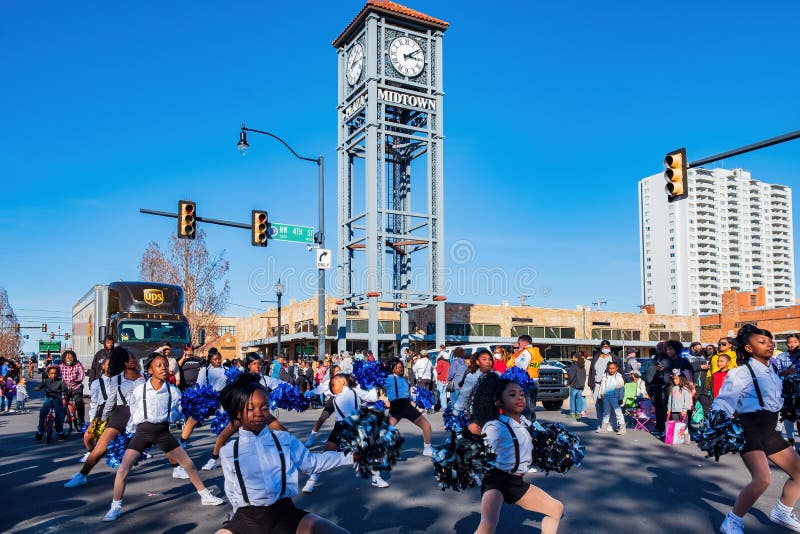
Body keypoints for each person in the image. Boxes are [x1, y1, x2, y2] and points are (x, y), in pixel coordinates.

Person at [216, 374, 351, 534]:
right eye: (250, 409)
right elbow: (232, 491)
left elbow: (313, 463)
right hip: (247, 519)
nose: (259, 413)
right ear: (238, 413)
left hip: (285, 513)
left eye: (265, 408)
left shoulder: (283, 439)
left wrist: (353, 457)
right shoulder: (230, 451)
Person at [102, 353, 224, 521]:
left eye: (166, 365)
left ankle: (204, 495)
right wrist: (129, 432)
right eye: (159, 365)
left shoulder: (173, 391)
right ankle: (115, 506)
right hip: (143, 432)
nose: (164, 368)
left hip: (163, 432)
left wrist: (186, 414)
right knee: (123, 469)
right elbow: (135, 412)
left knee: (188, 464)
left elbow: (176, 414)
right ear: (150, 370)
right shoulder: (140, 390)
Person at [715, 324, 800, 534]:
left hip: (770, 430)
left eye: (770, 341)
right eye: (762, 342)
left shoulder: (772, 369)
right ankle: (732, 520)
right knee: (763, 479)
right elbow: (723, 403)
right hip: (748, 430)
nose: (769, 345)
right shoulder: (740, 374)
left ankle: (782, 512)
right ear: (748, 348)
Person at [471, 377, 563, 534]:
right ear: (499, 401)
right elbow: (478, 451)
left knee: (556, 509)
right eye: (512, 395)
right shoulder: (494, 426)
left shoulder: (525, 423)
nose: (520, 398)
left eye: (521, 394)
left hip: (516, 482)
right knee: (488, 525)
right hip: (496, 482)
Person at [64, 348, 145, 488]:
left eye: (134, 358)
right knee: (99, 448)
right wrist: (100, 420)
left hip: (139, 415)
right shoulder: (117, 379)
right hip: (120, 413)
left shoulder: (144, 377)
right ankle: (82, 475)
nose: (133, 361)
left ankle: (178, 466)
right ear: (122, 362)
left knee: (163, 441)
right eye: (129, 358)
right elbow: (111, 402)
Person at [201, 352, 287, 471]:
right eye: (254, 364)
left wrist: (294, 392)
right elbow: (228, 392)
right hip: (242, 414)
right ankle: (213, 459)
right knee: (224, 436)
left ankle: (295, 456)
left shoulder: (266, 380)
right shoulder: (241, 378)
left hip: (260, 414)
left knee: (283, 432)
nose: (258, 366)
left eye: (260, 364)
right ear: (248, 366)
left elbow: (284, 385)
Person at [302, 373, 385, 492]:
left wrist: (372, 383)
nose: (332, 387)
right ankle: (311, 481)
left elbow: (373, 398)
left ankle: (376, 477)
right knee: (326, 454)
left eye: (334, 384)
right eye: (331, 386)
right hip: (340, 427)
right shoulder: (334, 395)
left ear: (343, 382)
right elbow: (321, 389)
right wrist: (306, 394)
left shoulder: (355, 391)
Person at [179, 348, 227, 448]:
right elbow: (199, 385)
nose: (217, 361)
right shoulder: (204, 370)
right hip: (207, 398)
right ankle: (182, 441)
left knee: (223, 421)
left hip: (221, 399)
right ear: (210, 360)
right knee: (192, 419)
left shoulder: (226, 370)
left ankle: (223, 443)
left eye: (219, 358)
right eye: (215, 359)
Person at [385, 358, 433, 456]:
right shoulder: (389, 378)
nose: (400, 369)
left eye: (402, 367)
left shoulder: (405, 379)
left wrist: (417, 398)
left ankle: (427, 449)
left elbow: (407, 394)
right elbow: (376, 382)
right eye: (397, 367)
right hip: (396, 407)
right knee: (385, 429)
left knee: (427, 426)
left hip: (407, 406)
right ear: (392, 369)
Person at [454, 349, 497, 434]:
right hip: (476, 415)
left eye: (490, 359)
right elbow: (464, 395)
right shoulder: (472, 377)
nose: (488, 362)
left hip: (494, 414)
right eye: (484, 359)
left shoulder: (498, 375)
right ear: (477, 362)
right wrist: (456, 412)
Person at [80, 356, 112, 462]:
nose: (111, 367)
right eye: (108, 365)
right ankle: (91, 452)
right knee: (87, 437)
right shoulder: (96, 383)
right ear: (103, 366)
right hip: (102, 411)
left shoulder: (120, 380)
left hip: (117, 411)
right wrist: (92, 420)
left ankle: (139, 451)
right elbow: (94, 403)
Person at [589, 340, 623, 431]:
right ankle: (600, 425)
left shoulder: (614, 358)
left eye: (607, 347)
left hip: (610, 385)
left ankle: (612, 424)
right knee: (598, 405)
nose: (605, 348)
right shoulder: (596, 358)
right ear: (601, 348)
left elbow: (620, 372)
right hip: (597, 385)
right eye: (604, 346)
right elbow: (591, 371)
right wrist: (590, 384)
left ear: (610, 347)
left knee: (611, 405)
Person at [508, 335, 543, 421]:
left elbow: (521, 367)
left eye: (519, 343)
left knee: (525, 407)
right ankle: (533, 424)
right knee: (532, 407)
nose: (518, 345)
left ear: (523, 343)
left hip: (526, 382)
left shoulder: (526, 353)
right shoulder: (535, 352)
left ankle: (527, 427)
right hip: (535, 381)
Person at [775, 333, 800, 445]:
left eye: (795, 342)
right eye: (789, 342)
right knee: (788, 414)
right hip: (787, 389)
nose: (792, 344)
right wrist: (785, 372)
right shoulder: (781, 356)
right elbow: (776, 374)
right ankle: (791, 439)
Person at [34, 365, 67, 441]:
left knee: (59, 415)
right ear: (48, 374)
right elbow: (41, 386)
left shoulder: (61, 380)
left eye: (55, 373)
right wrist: (38, 388)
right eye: (51, 373)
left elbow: (64, 388)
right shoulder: (46, 380)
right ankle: (40, 432)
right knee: (42, 413)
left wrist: (65, 390)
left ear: (58, 374)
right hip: (48, 398)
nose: (53, 375)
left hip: (57, 399)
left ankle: (60, 432)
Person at [596, 361, 625, 435]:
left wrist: (621, 398)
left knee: (618, 413)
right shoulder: (605, 376)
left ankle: (622, 429)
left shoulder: (619, 376)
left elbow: (621, 388)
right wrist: (600, 395)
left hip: (615, 397)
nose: (611, 370)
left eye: (613, 368)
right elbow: (602, 386)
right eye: (610, 368)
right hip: (606, 397)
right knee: (606, 413)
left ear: (616, 368)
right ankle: (604, 428)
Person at [60, 350, 86, 426]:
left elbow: (82, 373)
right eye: (67, 358)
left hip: (76, 387)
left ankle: (81, 420)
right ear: (64, 358)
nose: (69, 359)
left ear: (74, 358)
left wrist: (78, 380)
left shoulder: (78, 364)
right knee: (63, 403)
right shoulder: (61, 366)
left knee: (79, 402)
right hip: (65, 387)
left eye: (71, 358)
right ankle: (61, 418)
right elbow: (57, 374)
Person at [567, 351, 586, 418]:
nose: (572, 359)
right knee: (579, 399)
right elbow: (584, 376)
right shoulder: (582, 366)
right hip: (581, 385)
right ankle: (578, 413)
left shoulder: (574, 366)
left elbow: (571, 376)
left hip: (575, 385)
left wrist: (568, 383)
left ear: (576, 358)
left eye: (573, 357)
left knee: (572, 399)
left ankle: (572, 413)